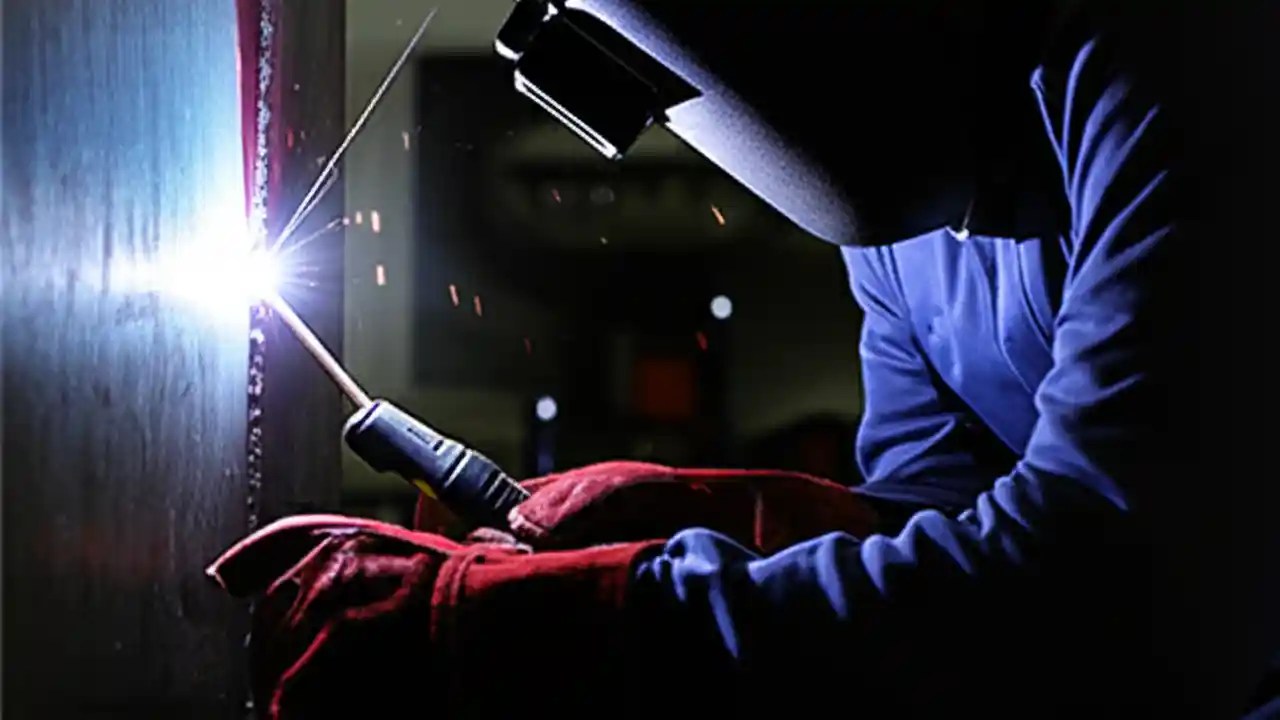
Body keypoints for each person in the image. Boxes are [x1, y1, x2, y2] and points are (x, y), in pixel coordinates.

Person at [209, 2, 1279, 717]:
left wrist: (598, 618)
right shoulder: (898, 236)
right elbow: (938, 513)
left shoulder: (1171, 68)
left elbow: (1125, 600)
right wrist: (717, 518)